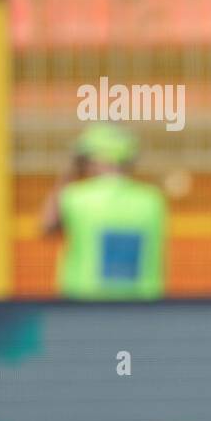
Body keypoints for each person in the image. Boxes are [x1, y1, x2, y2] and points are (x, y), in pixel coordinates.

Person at [42, 122, 167, 300]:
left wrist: (68, 173)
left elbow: (47, 226)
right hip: (141, 304)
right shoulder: (153, 200)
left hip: (84, 303)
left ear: (95, 159)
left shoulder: (75, 197)